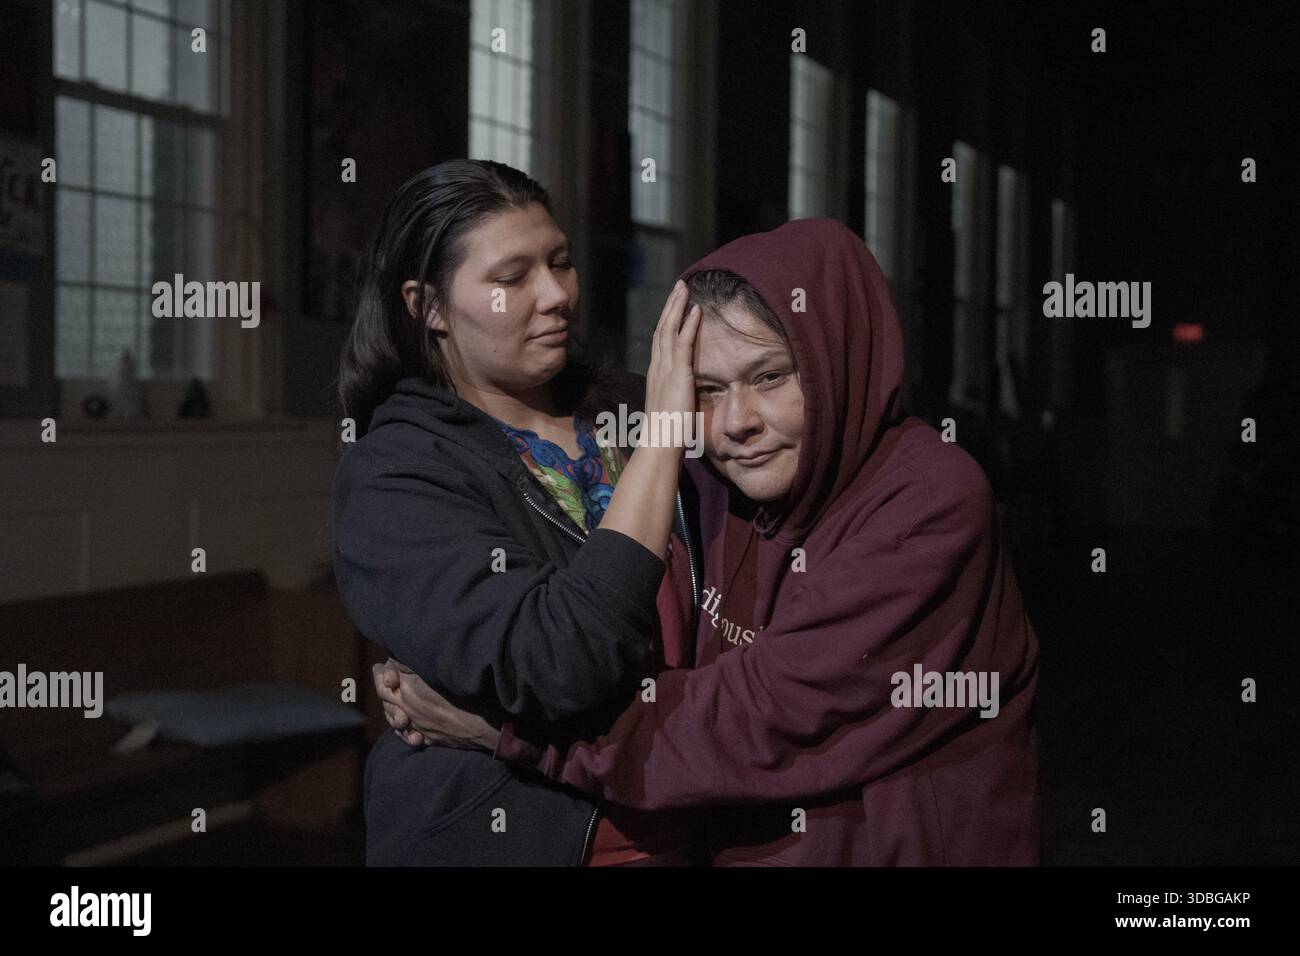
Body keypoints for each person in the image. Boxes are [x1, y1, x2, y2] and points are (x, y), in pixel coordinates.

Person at [375, 217, 1042, 866]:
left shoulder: (929, 503)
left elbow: (758, 718)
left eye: (770, 377)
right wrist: (454, 652)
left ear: (837, 359)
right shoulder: (708, 485)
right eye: (706, 390)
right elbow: (594, 629)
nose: (734, 423)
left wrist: (511, 733)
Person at [331, 158, 704, 865]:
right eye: (512, 277)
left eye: (560, 262)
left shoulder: (631, 406)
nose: (557, 294)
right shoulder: (395, 474)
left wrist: (494, 726)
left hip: (692, 813)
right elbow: (559, 663)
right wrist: (663, 440)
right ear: (427, 306)